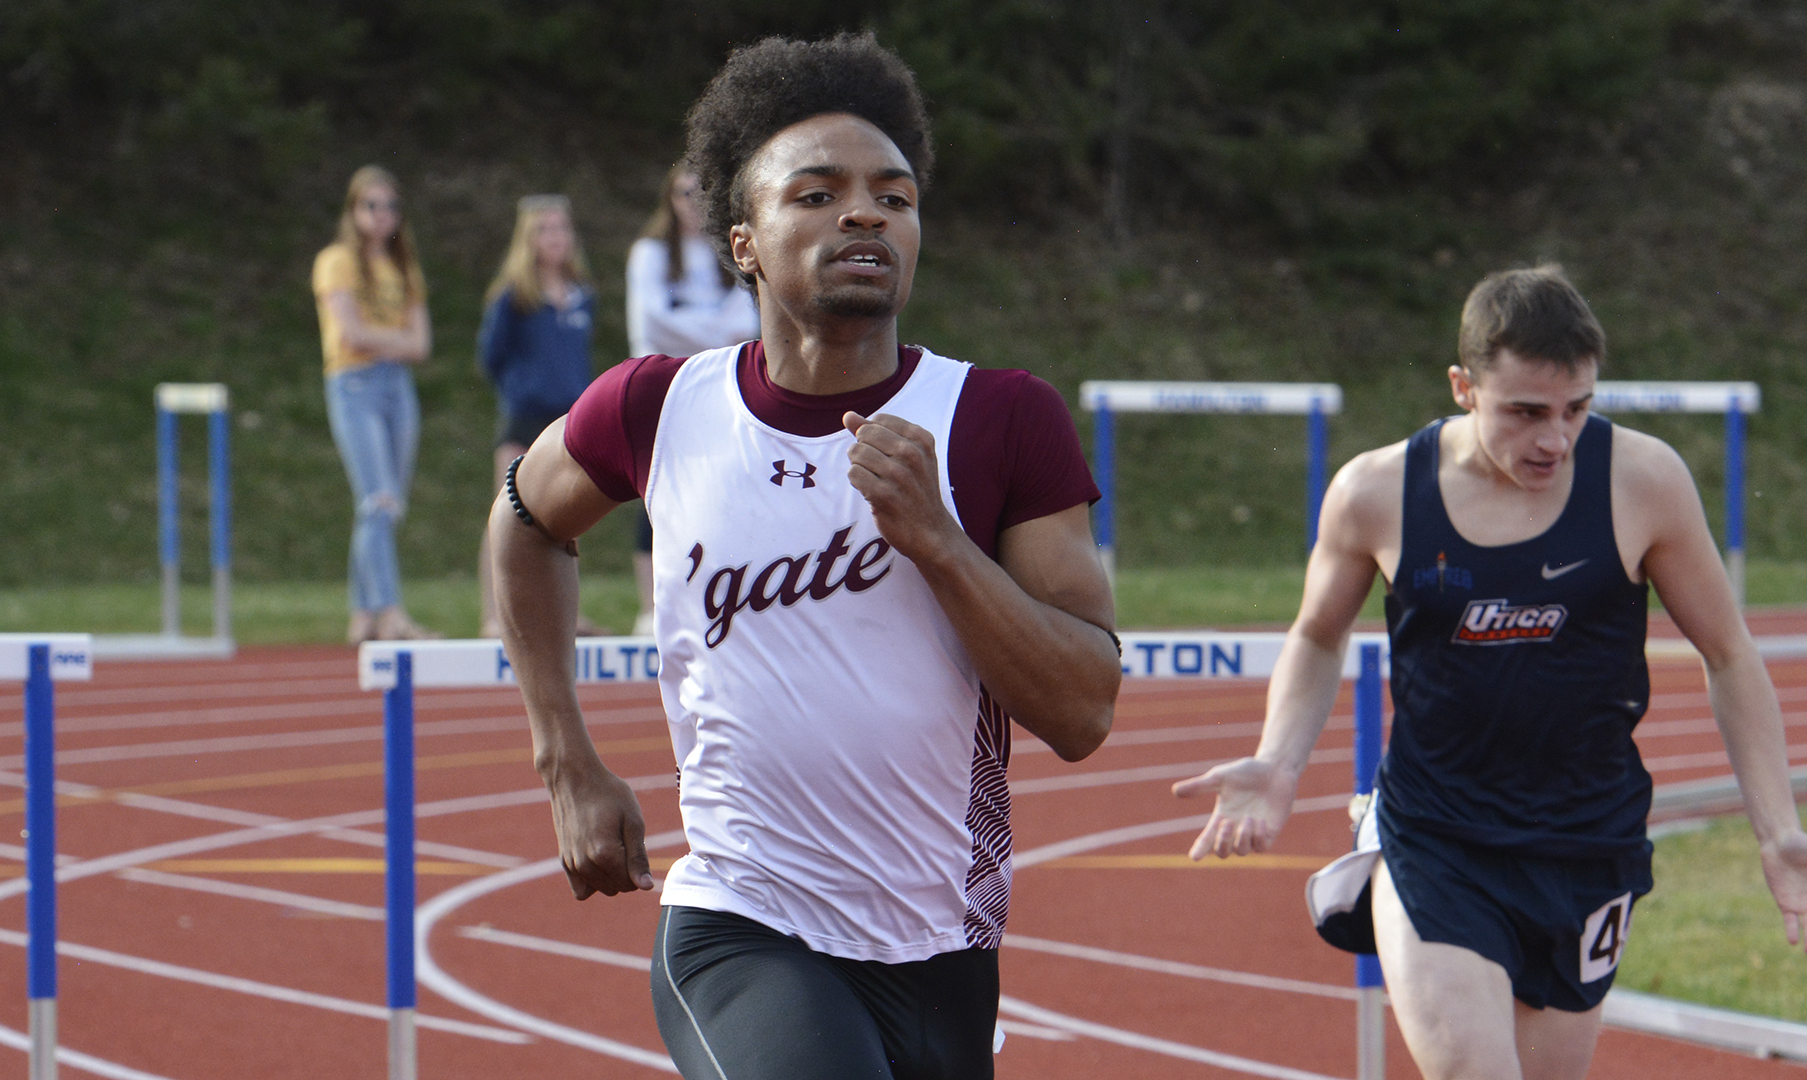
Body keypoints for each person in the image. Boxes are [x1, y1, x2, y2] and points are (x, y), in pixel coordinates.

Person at [489, 32, 1122, 1080]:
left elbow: (1084, 709)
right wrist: (565, 756)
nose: (863, 213)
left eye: (894, 195)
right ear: (743, 241)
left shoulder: (998, 419)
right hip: (743, 921)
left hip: (942, 949)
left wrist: (939, 543)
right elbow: (523, 519)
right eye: (817, 195)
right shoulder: (658, 407)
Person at [1173, 265, 1807, 1080]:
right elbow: (1317, 636)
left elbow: (1729, 653)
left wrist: (1776, 828)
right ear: (1464, 387)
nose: (1555, 439)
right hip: (1438, 839)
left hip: (1588, 844)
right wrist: (1279, 759)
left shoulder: (1642, 482)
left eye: (1577, 408)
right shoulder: (1379, 492)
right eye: (1527, 412)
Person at [624, 164, 760, 635]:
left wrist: (696, 327)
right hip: (664, 385)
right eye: (683, 192)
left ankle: (715, 595)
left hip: (719, 383)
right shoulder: (650, 253)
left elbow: (748, 321)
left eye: (701, 193)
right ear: (669, 198)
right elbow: (654, 320)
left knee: (719, 487)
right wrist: (712, 330)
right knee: (656, 487)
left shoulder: (731, 251)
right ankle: (650, 606)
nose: (692, 202)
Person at [311, 165, 440, 645]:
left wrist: (385, 342)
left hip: (395, 384)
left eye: (390, 206)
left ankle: (361, 612)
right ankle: (389, 612)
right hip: (353, 383)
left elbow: (421, 343)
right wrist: (395, 340)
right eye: (371, 205)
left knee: (385, 504)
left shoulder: (403, 265)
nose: (382, 215)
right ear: (353, 210)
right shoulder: (336, 261)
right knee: (378, 499)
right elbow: (350, 334)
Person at [476, 195, 599, 639]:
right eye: (545, 230)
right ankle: (495, 617)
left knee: (569, 519)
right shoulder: (514, 297)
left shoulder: (582, 295)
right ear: (528, 239)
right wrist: (521, 389)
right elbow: (490, 357)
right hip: (525, 418)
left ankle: (566, 616)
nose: (555, 238)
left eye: (562, 229)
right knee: (506, 514)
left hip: (568, 419)